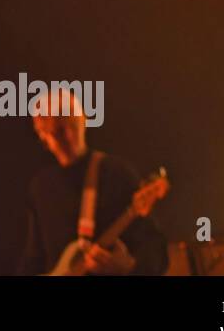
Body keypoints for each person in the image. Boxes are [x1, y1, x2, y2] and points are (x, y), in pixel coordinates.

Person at [17, 88, 168, 275]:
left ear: (84, 120)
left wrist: (130, 266)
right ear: (42, 136)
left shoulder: (117, 173)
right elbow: (32, 259)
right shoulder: (40, 189)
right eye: (58, 131)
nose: (69, 136)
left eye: (72, 124)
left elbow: (156, 250)